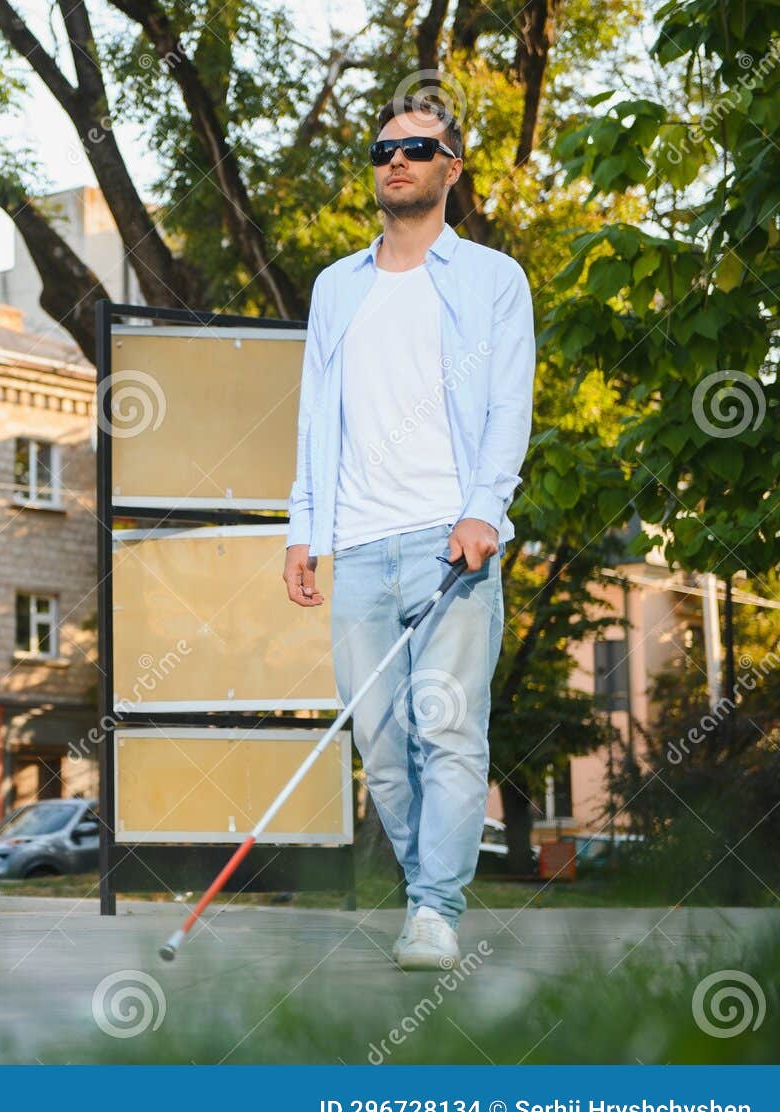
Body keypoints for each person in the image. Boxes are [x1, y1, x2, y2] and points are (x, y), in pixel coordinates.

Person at [282, 93, 534, 970]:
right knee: (382, 746)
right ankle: (427, 891)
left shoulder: (492, 279)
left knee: (449, 726)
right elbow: (317, 415)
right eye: (384, 148)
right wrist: (302, 528)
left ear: (450, 168)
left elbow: (508, 403)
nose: (397, 160)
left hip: (447, 540)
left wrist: (484, 510)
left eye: (419, 148)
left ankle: (434, 909)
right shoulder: (336, 286)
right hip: (358, 546)